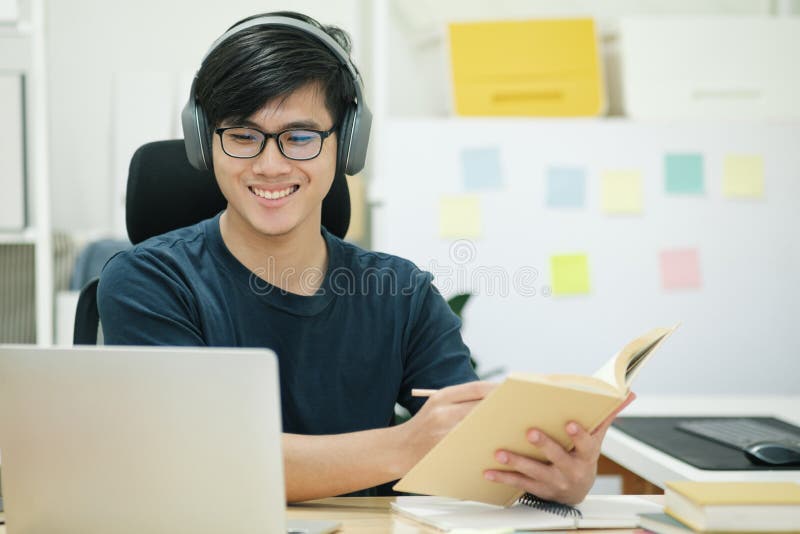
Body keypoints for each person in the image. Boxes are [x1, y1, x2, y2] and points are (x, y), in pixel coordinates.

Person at [97, 11, 621, 504]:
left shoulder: (401, 294)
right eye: (242, 136)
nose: (270, 164)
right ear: (203, 142)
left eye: (300, 137)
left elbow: (473, 455)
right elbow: (193, 460)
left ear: (347, 143)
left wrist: (553, 483)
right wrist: (405, 446)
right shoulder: (150, 280)